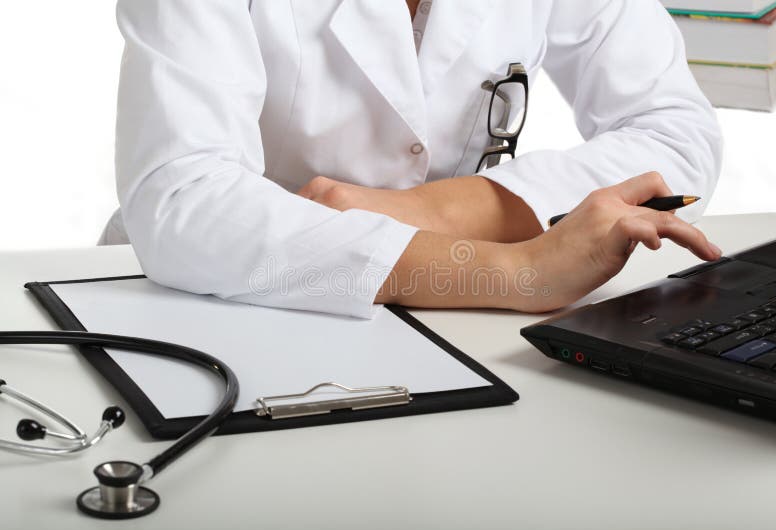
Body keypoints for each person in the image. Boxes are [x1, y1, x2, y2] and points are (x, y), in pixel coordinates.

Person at [100, 0, 723, 318]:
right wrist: (514, 274)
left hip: (441, 323)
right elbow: (183, 200)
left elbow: (674, 135)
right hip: (200, 297)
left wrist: (423, 213)